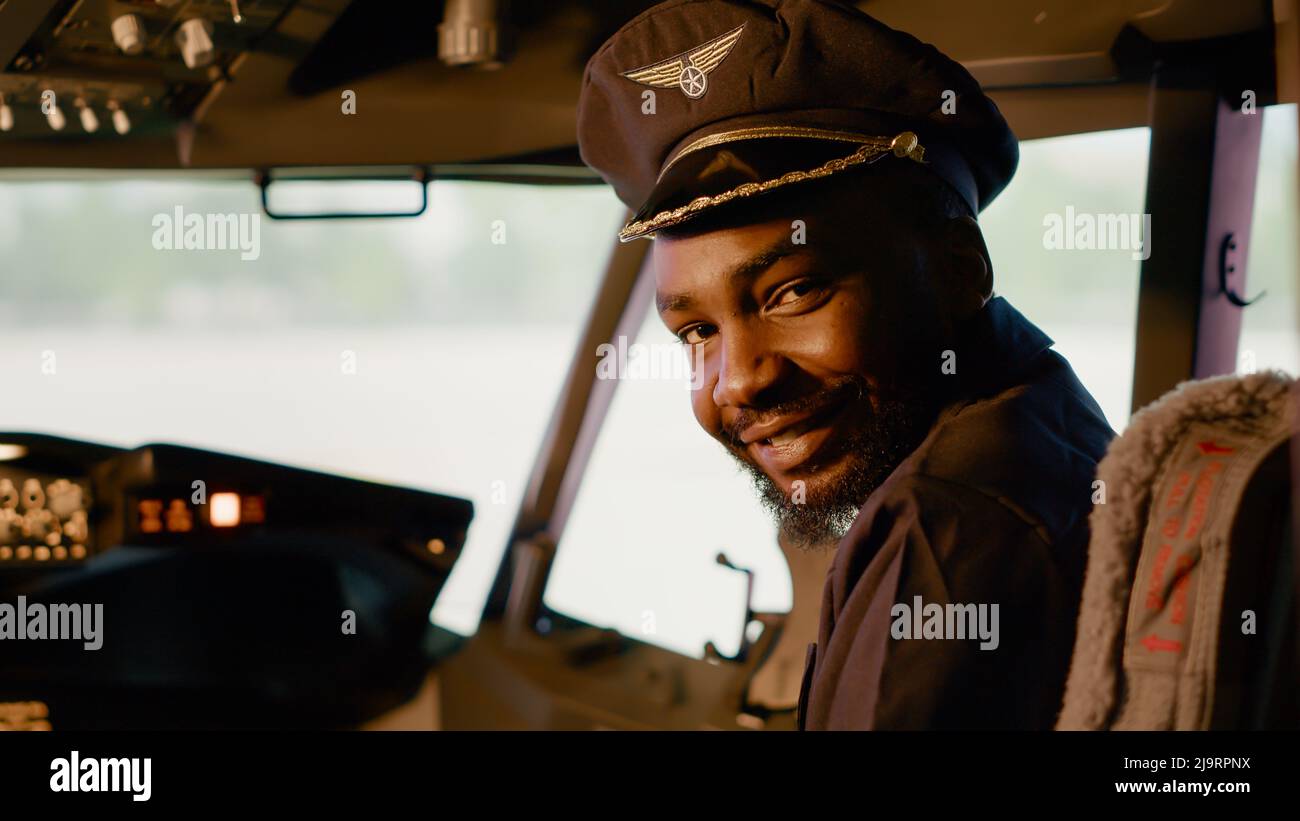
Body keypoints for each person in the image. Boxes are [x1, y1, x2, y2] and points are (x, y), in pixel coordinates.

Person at [576, 0, 1115, 729]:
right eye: (696, 331)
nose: (737, 380)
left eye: (794, 291)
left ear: (959, 268)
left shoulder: (945, 530)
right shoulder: (1042, 413)